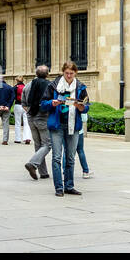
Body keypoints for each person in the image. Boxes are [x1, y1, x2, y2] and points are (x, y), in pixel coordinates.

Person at [40, 61, 89, 198]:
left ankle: (69, 186)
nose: (68, 76)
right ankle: (59, 187)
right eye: (66, 73)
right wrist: (52, 103)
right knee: (56, 157)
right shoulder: (53, 86)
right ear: (63, 72)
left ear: (75, 73)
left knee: (70, 158)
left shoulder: (80, 87)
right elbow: (43, 104)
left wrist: (82, 107)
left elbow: (87, 104)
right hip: (57, 125)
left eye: (71, 73)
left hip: (73, 125)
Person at [23, 65, 53, 182]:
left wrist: (31, 113)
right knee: (47, 144)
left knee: (38, 145)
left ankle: (43, 173)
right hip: (43, 117)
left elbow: (24, 104)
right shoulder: (49, 85)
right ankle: (32, 163)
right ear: (47, 74)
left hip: (31, 117)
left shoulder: (28, 85)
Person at [12, 76, 27, 143]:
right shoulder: (26, 87)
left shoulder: (15, 87)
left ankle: (18, 139)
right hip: (25, 106)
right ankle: (27, 138)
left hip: (18, 105)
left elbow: (12, 97)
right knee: (26, 122)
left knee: (17, 122)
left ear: (16, 80)